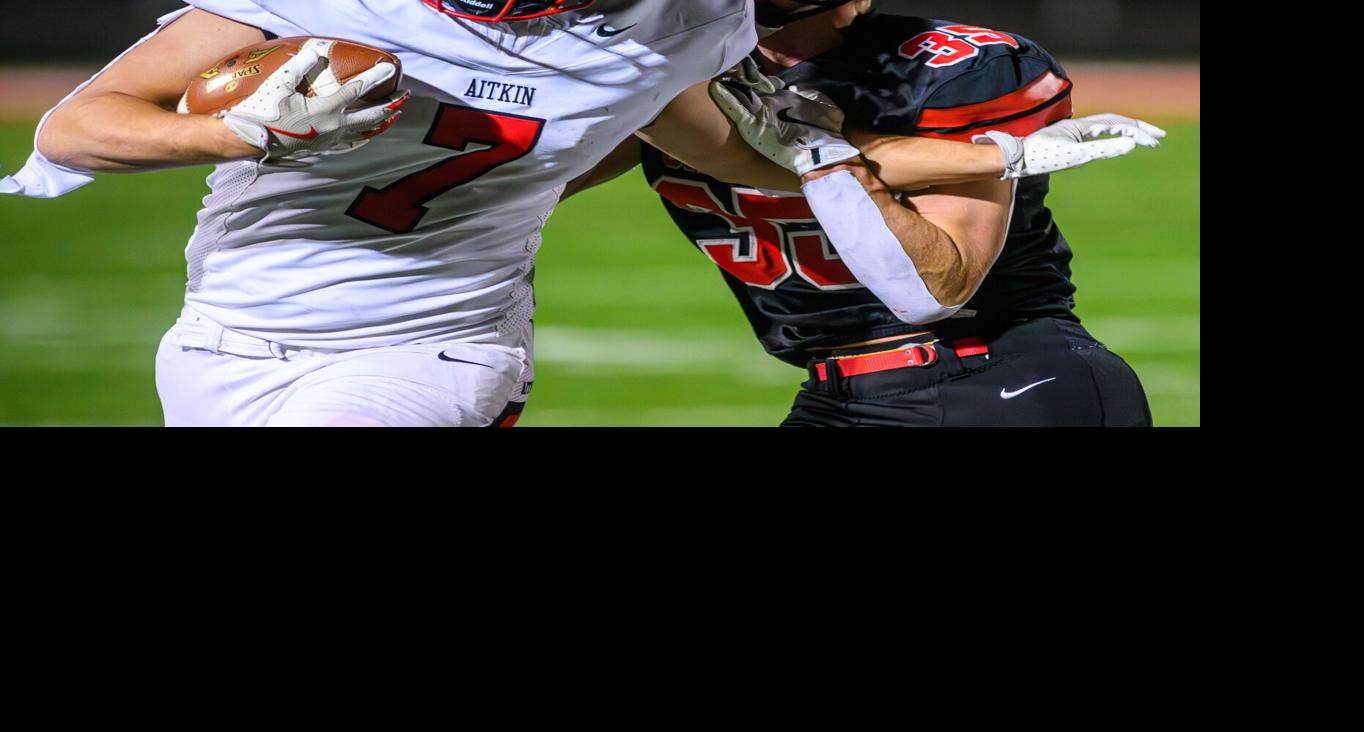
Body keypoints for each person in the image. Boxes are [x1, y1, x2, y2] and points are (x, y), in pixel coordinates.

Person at [1, 0, 1143, 426]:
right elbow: (71, 130)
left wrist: (988, 149)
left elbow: (779, 166)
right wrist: (236, 134)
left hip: (421, 350)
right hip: (220, 337)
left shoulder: (675, 29)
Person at [570, 0, 1161, 426]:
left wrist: (826, 156)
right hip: (839, 391)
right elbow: (511, 184)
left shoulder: (952, 66)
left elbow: (937, 284)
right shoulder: (675, 72)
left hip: (996, 377)